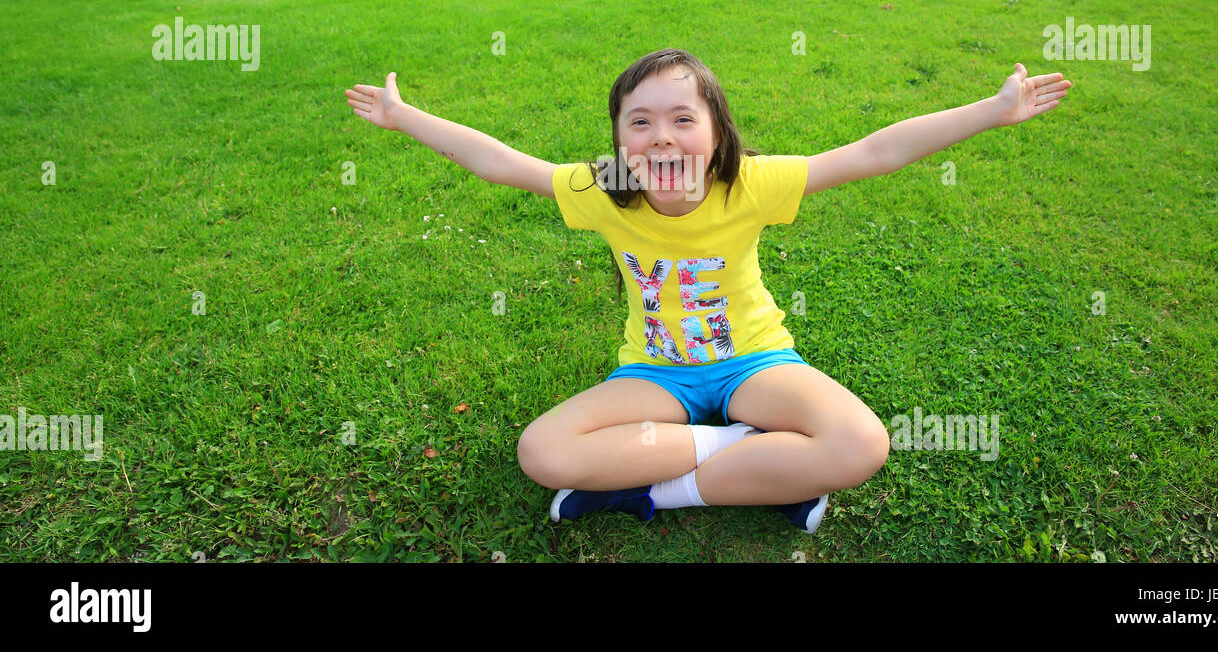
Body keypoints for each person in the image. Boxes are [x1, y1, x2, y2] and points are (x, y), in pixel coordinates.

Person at [344, 48, 1070, 534]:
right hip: (654, 376)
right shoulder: (607, 189)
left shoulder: (749, 183)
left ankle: (656, 490)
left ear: (718, 135)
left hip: (756, 362)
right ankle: (759, 460)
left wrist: (992, 109)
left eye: (683, 119)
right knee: (543, 452)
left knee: (861, 444)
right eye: (641, 122)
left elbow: (876, 151)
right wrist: (404, 116)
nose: (662, 138)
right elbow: (502, 164)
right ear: (621, 142)